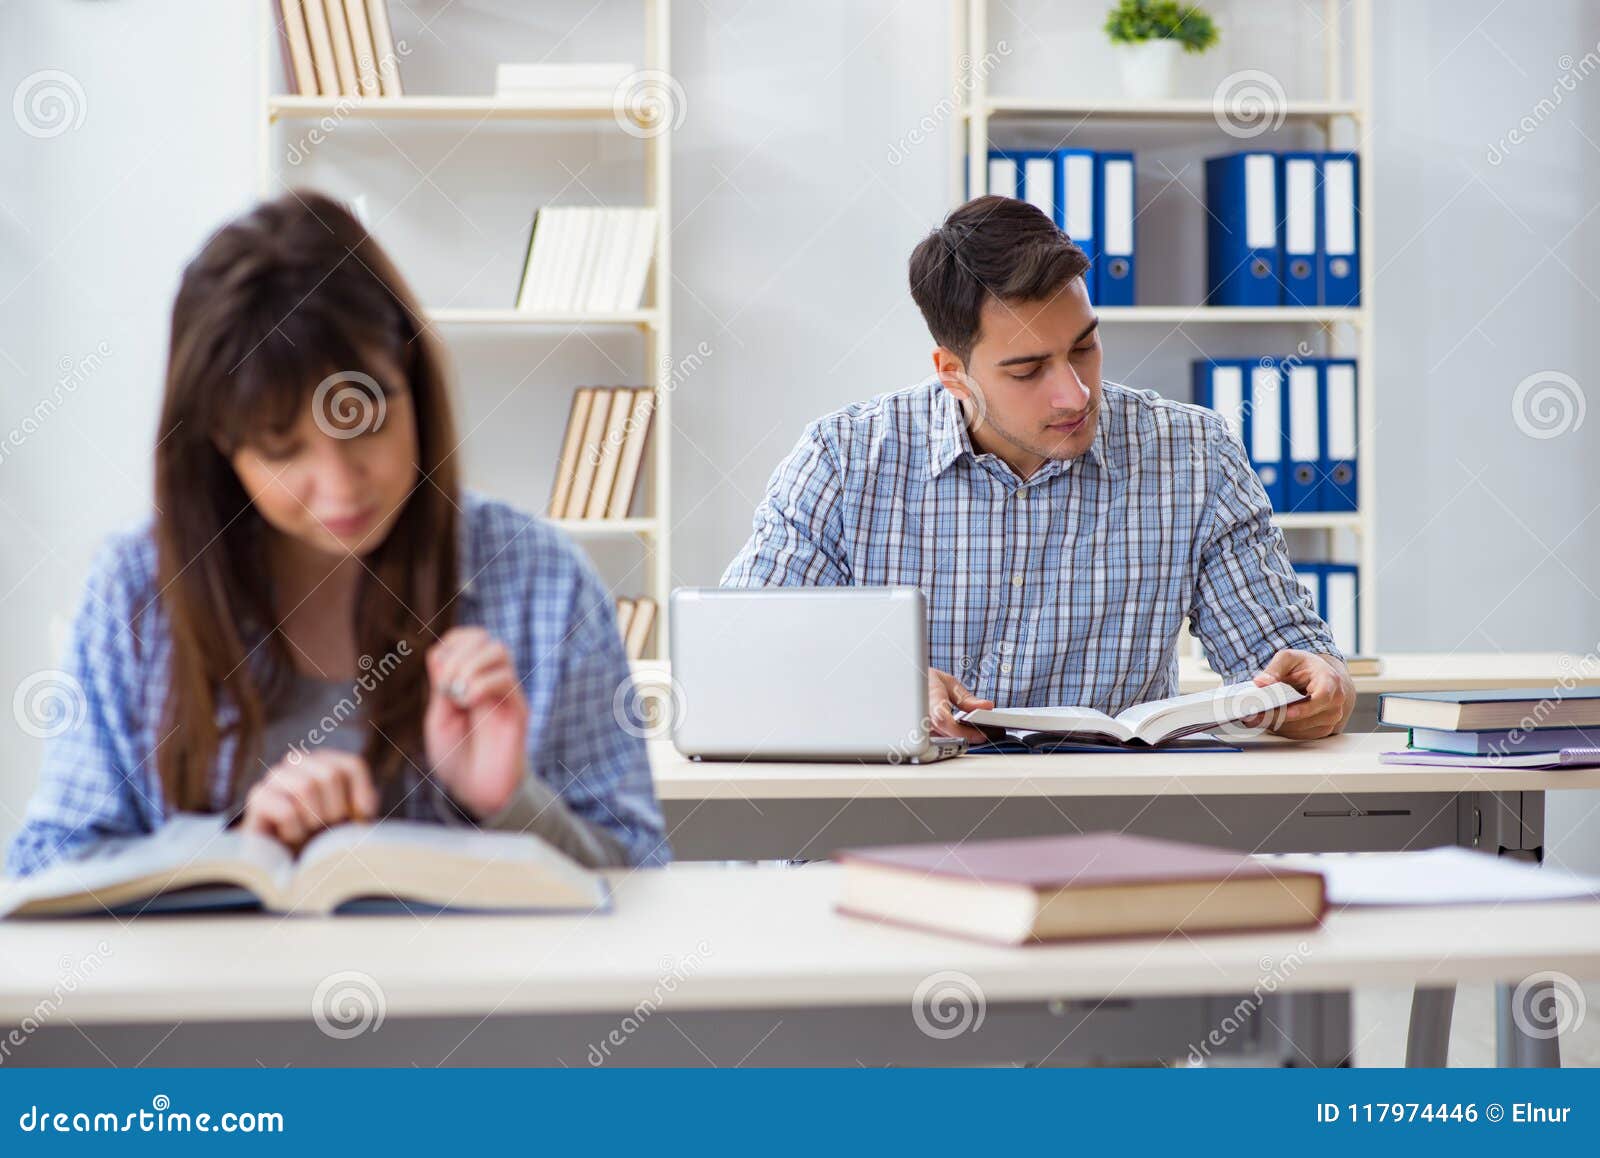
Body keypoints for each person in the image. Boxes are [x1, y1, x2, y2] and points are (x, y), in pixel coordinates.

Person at [6, 191, 667, 877]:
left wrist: (511, 806)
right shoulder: (135, 591)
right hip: (221, 991)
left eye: (368, 422)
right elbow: (45, 872)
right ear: (220, 451)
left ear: (413, 381)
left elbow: (642, 878)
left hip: (472, 991)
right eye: (283, 448)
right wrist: (237, 851)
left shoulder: (541, 580)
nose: (342, 486)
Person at [723, 195, 1354, 742]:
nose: (1075, 394)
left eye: (1085, 346)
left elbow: (1283, 651)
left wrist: (1318, 684)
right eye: (1028, 370)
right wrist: (876, 689)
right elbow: (742, 654)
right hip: (890, 836)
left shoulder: (1193, 453)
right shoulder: (844, 459)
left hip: (1102, 848)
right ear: (952, 372)